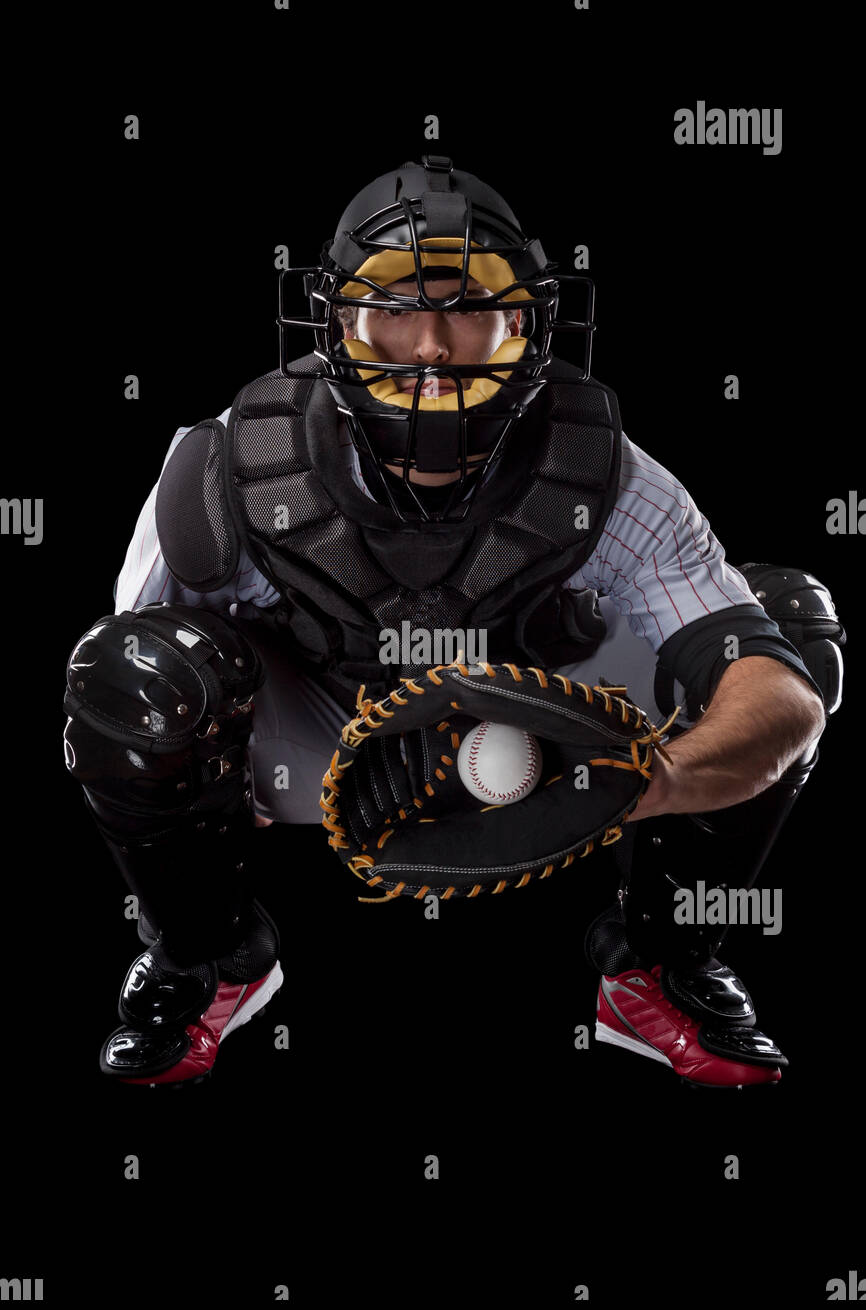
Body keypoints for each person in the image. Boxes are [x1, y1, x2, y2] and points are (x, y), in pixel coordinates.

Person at [63, 155, 842, 1088]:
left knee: (790, 631)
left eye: (471, 307)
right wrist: (210, 785)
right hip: (316, 733)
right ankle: (204, 959)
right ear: (338, 322)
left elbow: (783, 698)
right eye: (394, 307)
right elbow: (119, 678)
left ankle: (663, 962)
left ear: (525, 325)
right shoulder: (231, 465)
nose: (432, 346)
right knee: (136, 681)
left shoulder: (604, 474)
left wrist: (657, 777)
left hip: (540, 733)